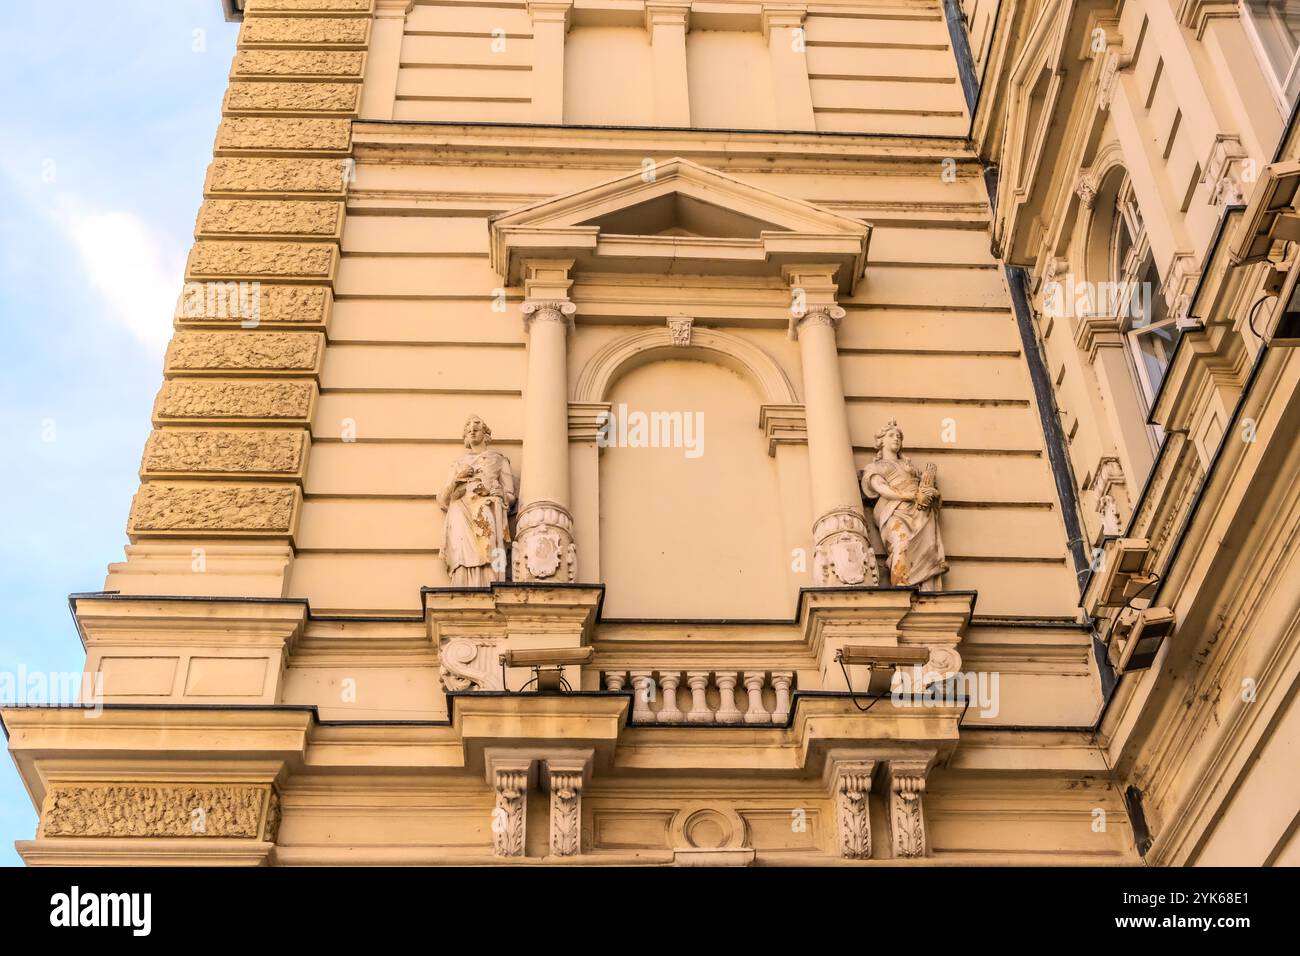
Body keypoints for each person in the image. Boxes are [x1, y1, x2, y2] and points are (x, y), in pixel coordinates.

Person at [860, 419, 947, 590]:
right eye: (891, 435)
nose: (896, 439)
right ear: (881, 441)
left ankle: (926, 589)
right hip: (895, 511)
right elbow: (883, 489)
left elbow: (930, 491)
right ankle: (901, 588)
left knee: (927, 549)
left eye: (899, 436)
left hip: (920, 512)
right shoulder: (875, 467)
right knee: (901, 543)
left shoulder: (911, 468)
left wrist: (931, 494)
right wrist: (914, 496)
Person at [436, 415, 516, 586]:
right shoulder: (458, 464)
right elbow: (442, 500)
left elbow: (510, 495)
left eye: (476, 428)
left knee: (488, 545)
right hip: (460, 507)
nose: (472, 431)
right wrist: (457, 479)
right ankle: (463, 582)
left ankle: (490, 581)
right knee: (461, 547)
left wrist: (499, 492)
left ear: (484, 434)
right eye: (468, 429)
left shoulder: (499, 460)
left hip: (486, 507)